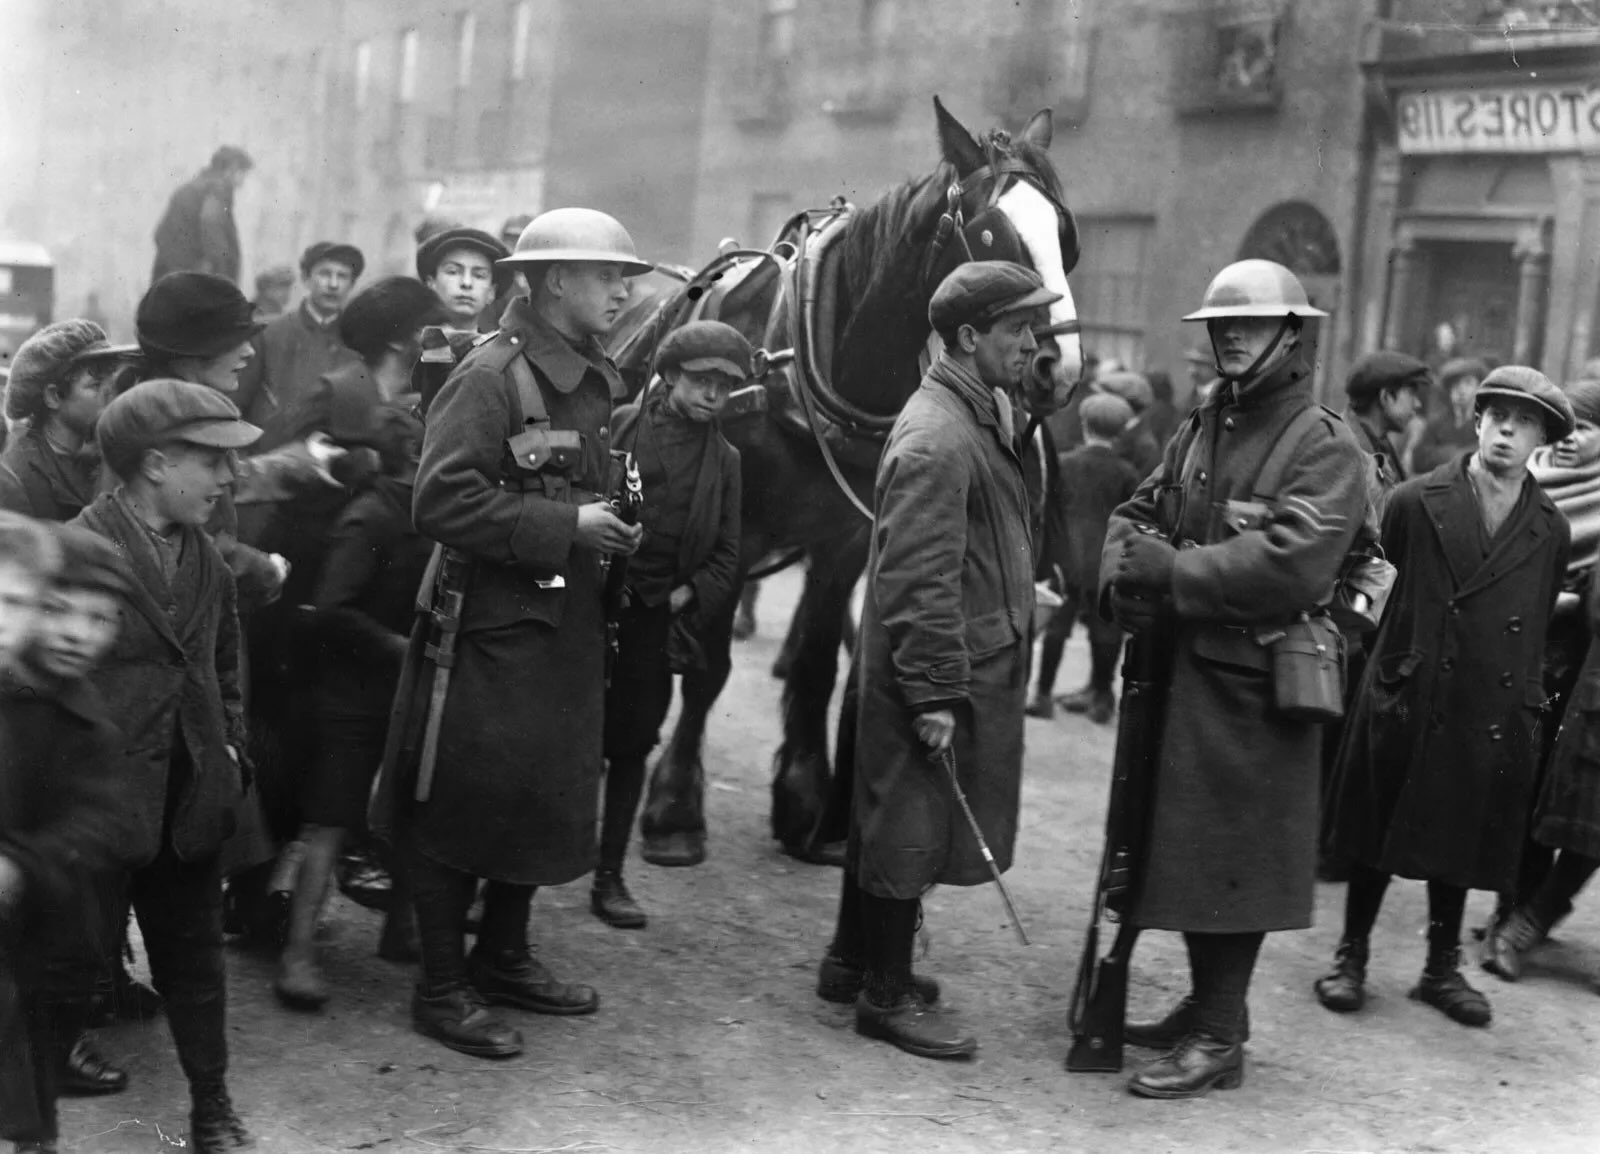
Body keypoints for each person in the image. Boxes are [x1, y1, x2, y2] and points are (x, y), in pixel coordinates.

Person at [381, 206, 649, 1059]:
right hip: (486, 631)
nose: (621, 292)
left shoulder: (591, 374)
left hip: (562, 624)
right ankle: (440, 988)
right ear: (555, 280)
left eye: (624, 279)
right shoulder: (491, 375)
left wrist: (608, 521)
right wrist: (569, 526)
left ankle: (500, 956)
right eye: (607, 276)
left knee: (535, 793)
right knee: (460, 799)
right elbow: (438, 501)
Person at [1100, 259, 1364, 1098]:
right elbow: (1135, 513)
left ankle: (1218, 1035)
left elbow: (1293, 562)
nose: (1233, 337)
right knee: (1183, 853)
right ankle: (1212, 1013)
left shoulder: (1323, 442)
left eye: (1251, 324)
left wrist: (1172, 573)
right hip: (1183, 679)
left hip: (1256, 686)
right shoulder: (1203, 423)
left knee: (1232, 861)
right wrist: (1121, 579)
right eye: (1222, 325)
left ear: (1292, 334)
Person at [820, 261, 1055, 1061]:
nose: (1032, 343)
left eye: (1033, 327)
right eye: (1016, 329)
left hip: (948, 659)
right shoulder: (938, 435)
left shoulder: (970, 413)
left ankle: (854, 963)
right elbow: (918, 578)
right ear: (967, 336)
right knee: (906, 827)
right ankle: (885, 996)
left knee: (898, 816)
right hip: (930, 670)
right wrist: (933, 693)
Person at [1319, 367, 1572, 1028]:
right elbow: (1373, 591)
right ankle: (1351, 956)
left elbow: (1535, 619)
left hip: (1486, 705)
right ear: (1477, 421)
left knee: (1459, 835)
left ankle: (1439, 968)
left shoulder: (1549, 529)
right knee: (1376, 828)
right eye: (1498, 417)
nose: (1507, 432)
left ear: (1542, 440)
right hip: (1410, 690)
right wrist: (1389, 669)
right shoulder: (1413, 500)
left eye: (1524, 423)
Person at [70, 379, 262, 1152]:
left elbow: (225, 662)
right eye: (212, 461)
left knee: (196, 963)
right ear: (154, 464)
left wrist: (233, 748)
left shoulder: (207, 557)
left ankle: (211, 1105)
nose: (228, 477)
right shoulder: (77, 554)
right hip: (99, 808)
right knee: (66, 964)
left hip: (189, 803)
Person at [274, 407, 432, 1008]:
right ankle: (297, 954)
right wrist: (397, 647)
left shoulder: (427, 512)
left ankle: (401, 928)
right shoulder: (370, 516)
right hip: (353, 693)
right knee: (330, 819)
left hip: (405, 688)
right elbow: (330, 608)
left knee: (416, 807)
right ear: (413, 454)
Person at [594, 321, 746, 929]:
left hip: (655, 620)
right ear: (671, 375)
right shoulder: (621, 425)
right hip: (590, 606)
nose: (713, 395)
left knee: (633, 745)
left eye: (724, 387)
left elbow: (728, 555)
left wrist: (685, 595)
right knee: (564, 734)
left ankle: (608, 876)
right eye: (702, 381)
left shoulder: (726, 461)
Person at [0, 517, 139, 1154]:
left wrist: (22, 865)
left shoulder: (85, 723)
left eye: (99, 619)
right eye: (56, 610)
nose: (76, 634)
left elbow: (101, 822)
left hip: (39, 936)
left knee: (30, 1081)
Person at [1028, 392, 1140, 723]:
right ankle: (1102, 697)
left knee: (1057, 628)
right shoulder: (1126, 472)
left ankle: (1043, 694)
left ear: (1084, 424)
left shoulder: (1065, 463)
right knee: (1105, 630)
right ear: (1121, 430)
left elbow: (1050, 510)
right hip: (1106, 559)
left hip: (1068, 557)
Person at [234, 241, 365, 452]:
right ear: (306, 279)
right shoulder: (267, 334)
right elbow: (237, 403)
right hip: (268, 457)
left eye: (342, 277)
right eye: (324, 274)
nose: (333, 284)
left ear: (352, 285)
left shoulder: (358, 342)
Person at [0, 322, 133, 521]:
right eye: (96, 385)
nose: (111, 394)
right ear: (53, 396)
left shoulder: (100, 454)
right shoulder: (20, 475)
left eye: (111, 382)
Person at [413, 228, 511, 416]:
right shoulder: (410, 348)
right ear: (431, 283)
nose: (466, 283)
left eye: (479, 275)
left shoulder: (499, 355)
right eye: (453, 272)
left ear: (491, 292)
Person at [151, 146, 252, 286]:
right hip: (190, 276)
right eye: (242, 174)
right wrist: (220, 272)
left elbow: (159, 234)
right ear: (231, 170)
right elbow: (210, 221)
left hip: (168, 272)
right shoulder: (217, 189)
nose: (242, 182)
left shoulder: (193, 186)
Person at [1411, 356, 1488, 475]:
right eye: (1455, 384)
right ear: (1448, 391)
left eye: (1468, 383)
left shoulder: (1486, 422)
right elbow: (1419, 460)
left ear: (1479, 388)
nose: (1461, 390)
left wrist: (1447, 454)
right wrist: (1454, 454)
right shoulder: (1436, 424)